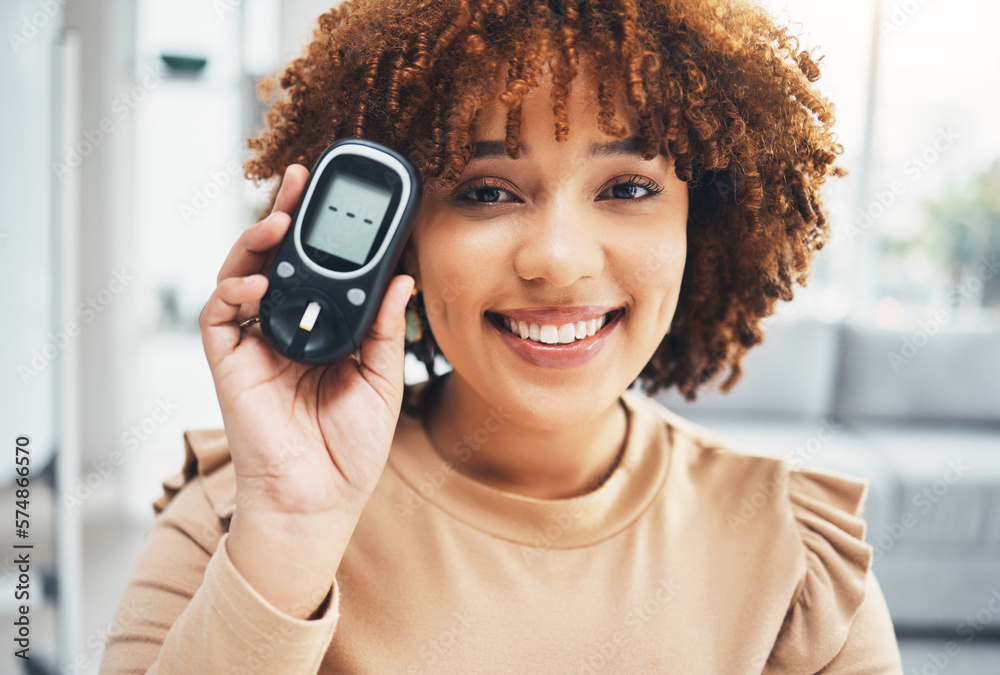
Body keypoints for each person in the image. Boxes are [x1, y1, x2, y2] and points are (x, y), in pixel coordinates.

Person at [100, 0, 904, 672]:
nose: (557, 259)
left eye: (627, 186)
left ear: (706, 219)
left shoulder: (797, 565)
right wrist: (287, 536)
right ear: (402, 236)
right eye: (486, 191)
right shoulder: (237, 520)